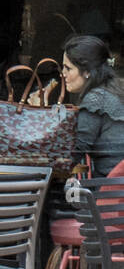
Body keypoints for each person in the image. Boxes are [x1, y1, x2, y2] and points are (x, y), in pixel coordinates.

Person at [45, 35, 124, 177]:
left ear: (87, 71)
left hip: (111, 189)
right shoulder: (114, 90)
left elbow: (76, 149)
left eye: (68, 68)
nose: (63, 74)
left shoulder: (96, 99)